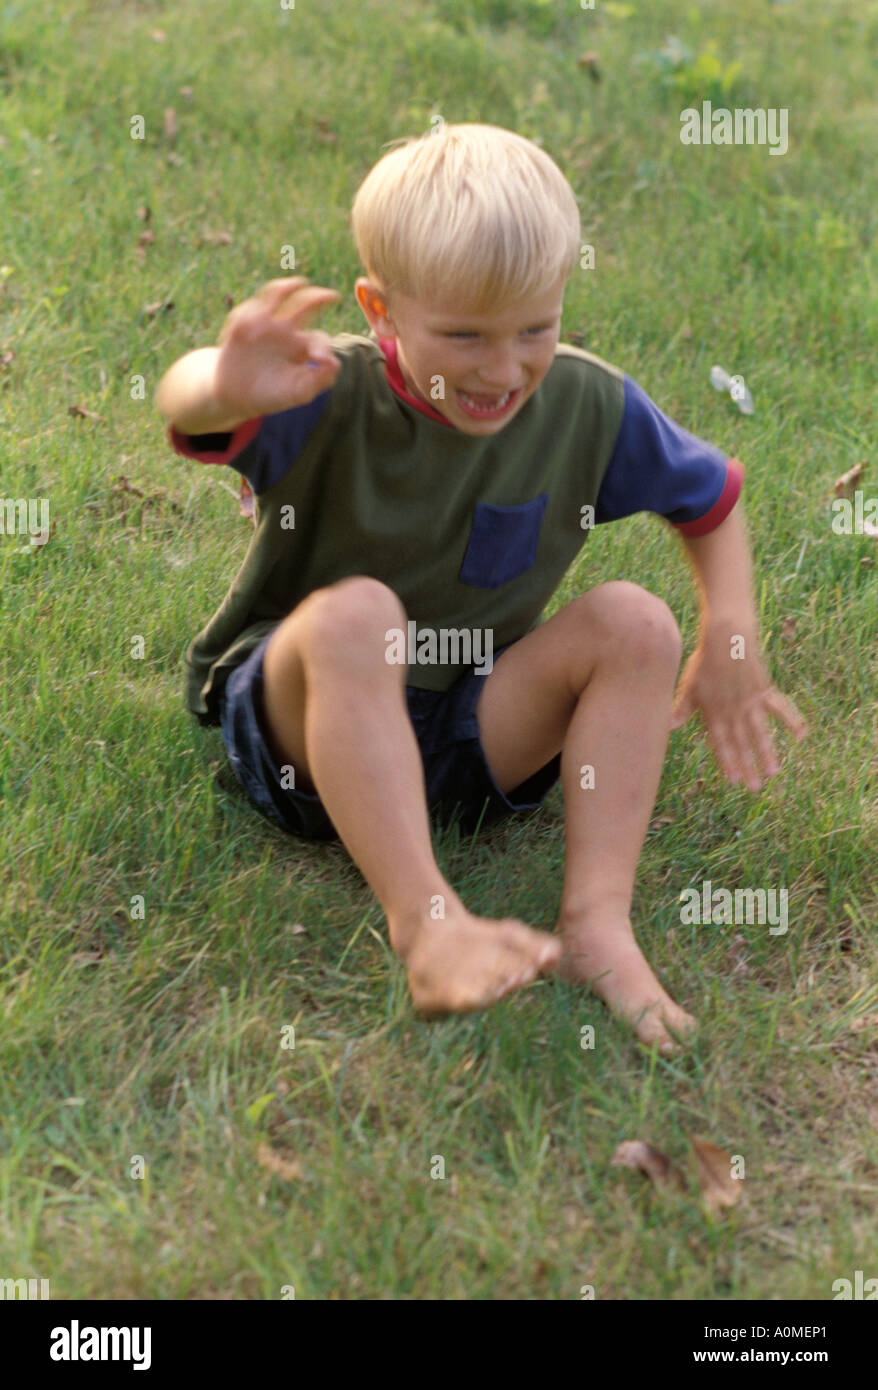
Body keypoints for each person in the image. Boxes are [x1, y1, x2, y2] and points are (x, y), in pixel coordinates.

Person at [156, 124, 806, 1052]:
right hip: (303, 737)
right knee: (362, 614)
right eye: (463, 335)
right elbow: (185, 409)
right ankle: (427, 925)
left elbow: (711, 500)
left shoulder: (586, 403)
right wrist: (220, 380)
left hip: (465, 739)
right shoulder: (321, 388)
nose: (503, 370)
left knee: (635, 619)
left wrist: (731, 633)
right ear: (381, 311)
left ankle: (596, 928)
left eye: (533, 329)